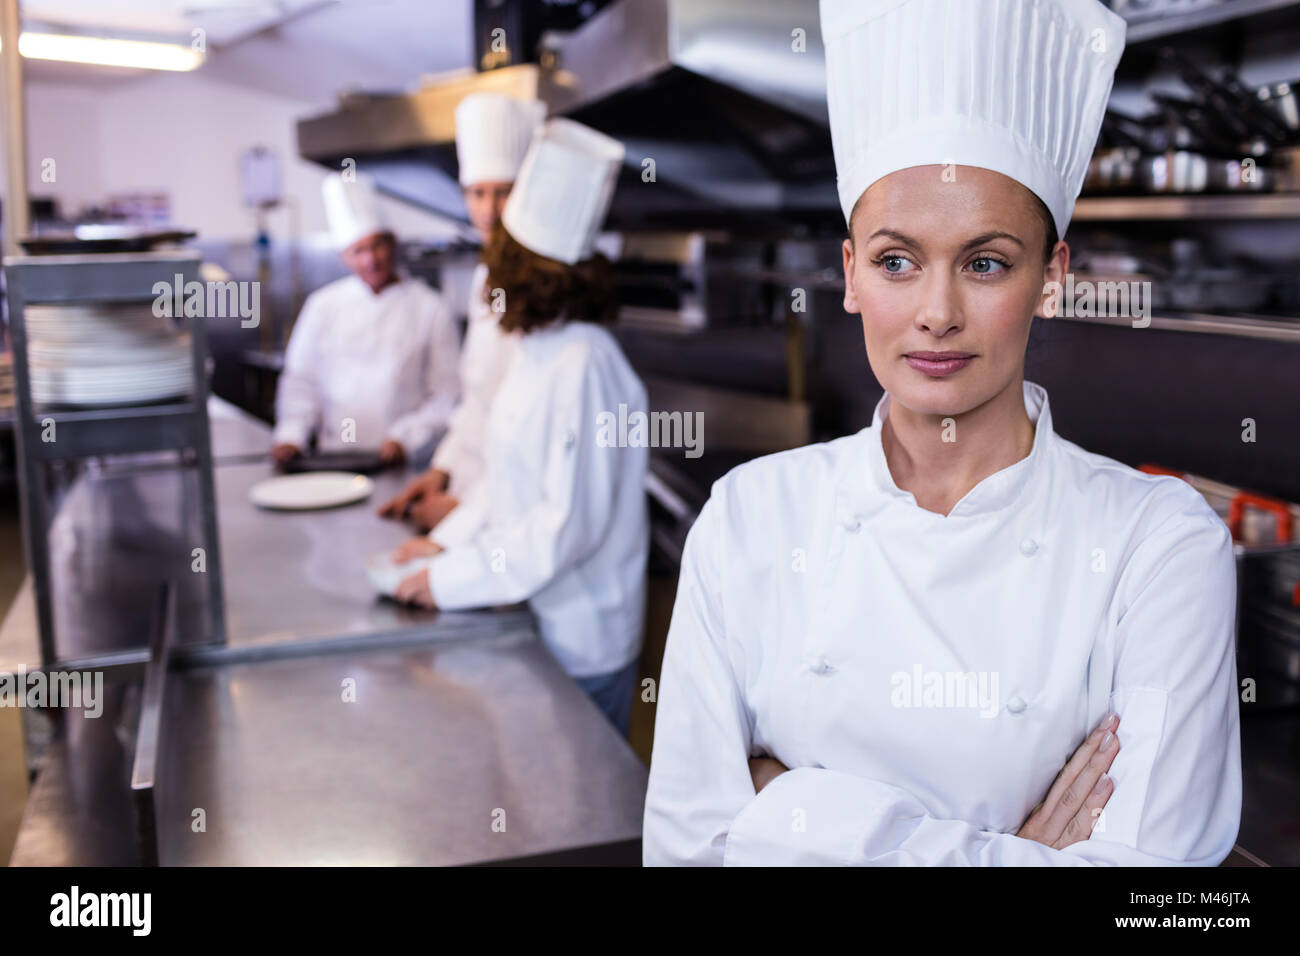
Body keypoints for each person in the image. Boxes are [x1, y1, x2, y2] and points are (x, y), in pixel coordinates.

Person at [642, 0, 1241, 865]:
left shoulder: (1159, 544)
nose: (937, 313)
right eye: (896, 260)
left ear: (1051, 277)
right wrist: (1011, 852)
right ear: (850, 274)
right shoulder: (748, 520)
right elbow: (687, 852)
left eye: (986, 262)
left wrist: (786, 807)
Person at [390, 119, 649, 736]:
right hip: (536, 618)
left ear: (527, 272)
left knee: (581, 812)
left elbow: (564, 530)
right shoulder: (538, 350)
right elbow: (505, 479)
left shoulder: (583, 364)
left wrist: (450, 579)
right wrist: (450, 540)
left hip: (583, 638)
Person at [378, 93, 545, 530]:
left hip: (513, 510)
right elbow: (478, 399)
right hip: (481, 495)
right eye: (477, 193)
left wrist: (469, 510)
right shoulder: (483, 277)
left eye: (503, 192)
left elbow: (532, 431)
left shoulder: (544, 290)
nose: (488, 210)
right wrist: (442, 470)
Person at [271, 172, 460, 467]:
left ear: (393, 243)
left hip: (407, 462)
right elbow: (300, 382)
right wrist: (290, 435)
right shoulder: (323, 306)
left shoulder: (431, 308)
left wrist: (404, 439)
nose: (370, 260)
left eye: (377, 246)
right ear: (344, 256)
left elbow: (447, 394)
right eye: (358, 251)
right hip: (333, 458)